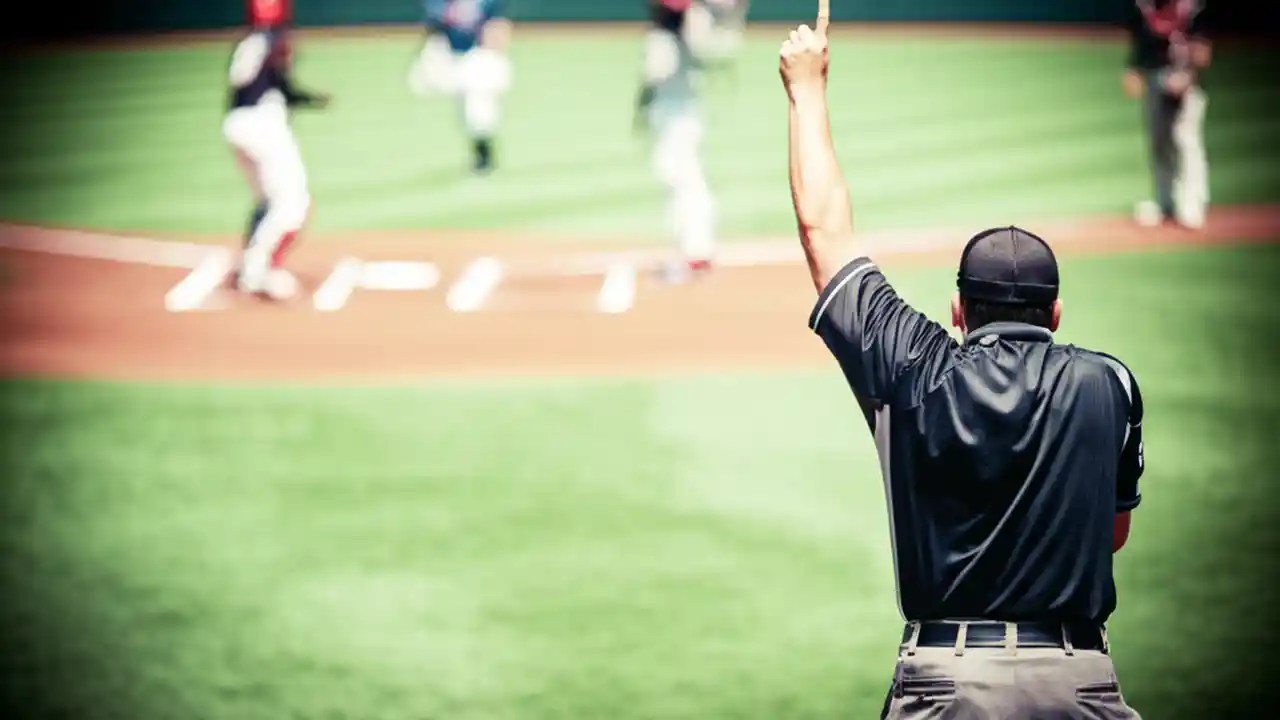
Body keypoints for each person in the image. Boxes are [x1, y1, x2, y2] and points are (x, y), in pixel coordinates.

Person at [780, 3, 1145, 717]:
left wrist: (807, 91)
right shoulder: (1110, 384)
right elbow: (1113, 532)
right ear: (1056, 312)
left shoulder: (913, 366)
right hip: (1081, 683)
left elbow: (825, 233)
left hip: (946, 685)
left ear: (959, 312)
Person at [223, 0, 329, 300]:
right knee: (294, 204)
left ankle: (250, 261)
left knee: (268, 200)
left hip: (236, 123)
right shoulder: (273, 40)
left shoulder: (248, 43)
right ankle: (259, 270)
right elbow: (280, 86)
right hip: (263, 126)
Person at [636, 0, 718, 283]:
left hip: (678, 121)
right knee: (680, 182)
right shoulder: (684, 35)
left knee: (684, 182)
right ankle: (691, 251)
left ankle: (696, 252)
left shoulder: (676, 38)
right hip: (676, 118)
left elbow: (656, 71)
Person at [1124, 0, 1211, 230]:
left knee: (1185, 139)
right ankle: (1165, 203)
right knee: (1159, 141)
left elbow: (1202, 49)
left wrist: (1188, 75)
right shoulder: (1144, 7)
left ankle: (1193, 204)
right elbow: (1141, 44)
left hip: (1188, 80)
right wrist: (1134, 69)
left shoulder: (1191, 7)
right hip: (1156, 79)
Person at [408, 0, 513, 175]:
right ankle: (481, 149)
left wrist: (496, 61)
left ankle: (483, 153)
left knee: (478, 108)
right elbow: (433, 28)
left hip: (478, 55)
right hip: (451, 55)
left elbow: (497, 27)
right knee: (460, 108)